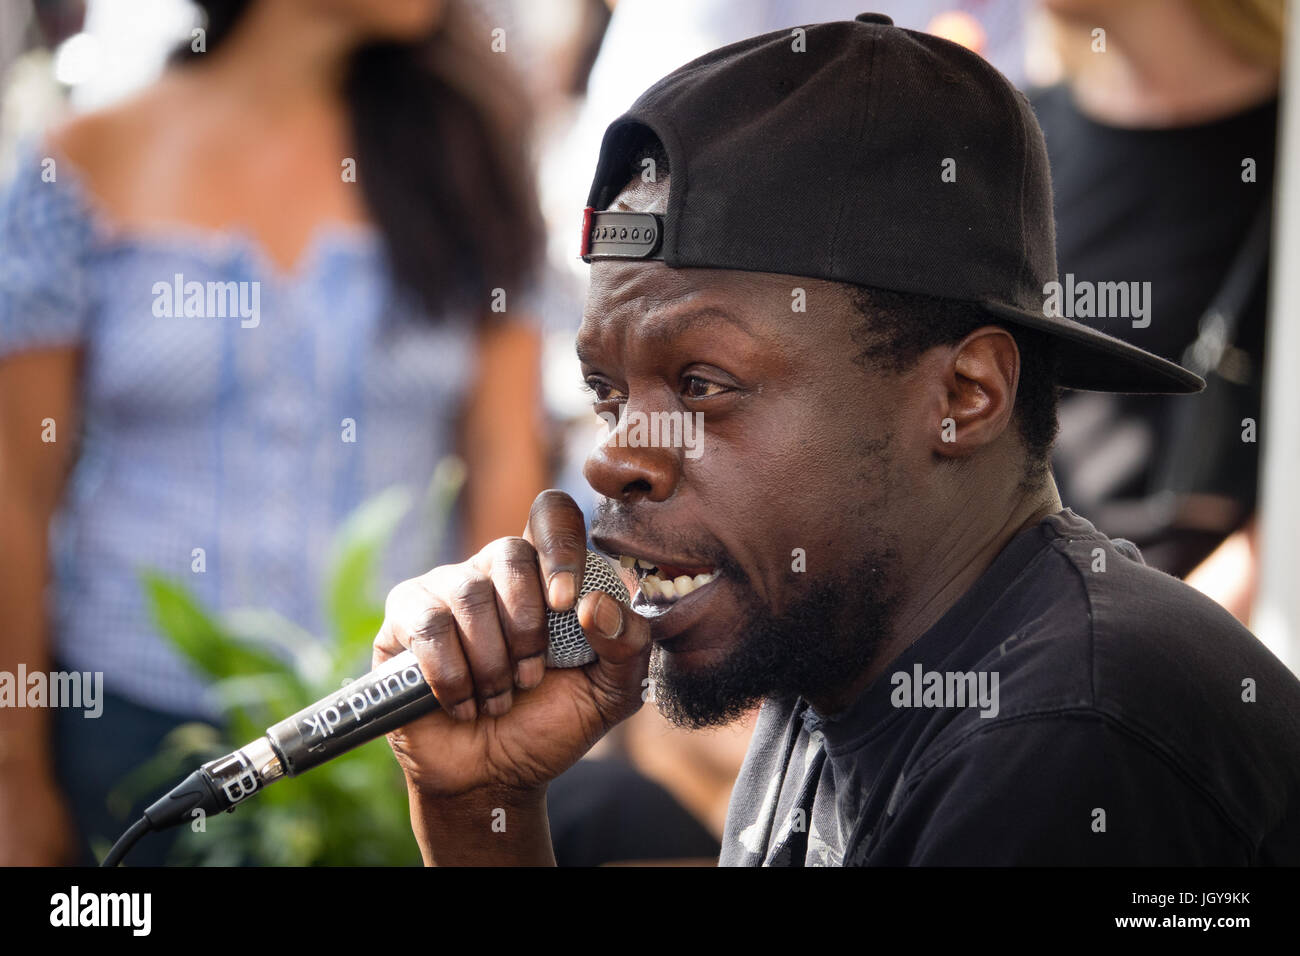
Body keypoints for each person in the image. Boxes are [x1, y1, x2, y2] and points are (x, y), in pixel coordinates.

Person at [371, 13, 1300, 865]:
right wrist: (478, 809)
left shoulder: (1069, 737)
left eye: (701, 385)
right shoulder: (842, 671)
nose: (613, 456)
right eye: (608, 394)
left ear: (965, 396)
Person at [0, 0, 546, 865]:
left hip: (392, 724)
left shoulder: (465, 151)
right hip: (129, 728)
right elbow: (14, 491)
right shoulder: (83, 160)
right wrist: (12, 776)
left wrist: (490, 704)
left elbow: (503, 455)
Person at [1032, 0, 1284, 618]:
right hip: (1019, 633)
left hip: (1201, 652)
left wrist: (1163, 650)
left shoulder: (1283, 148)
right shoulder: (1012, 134)